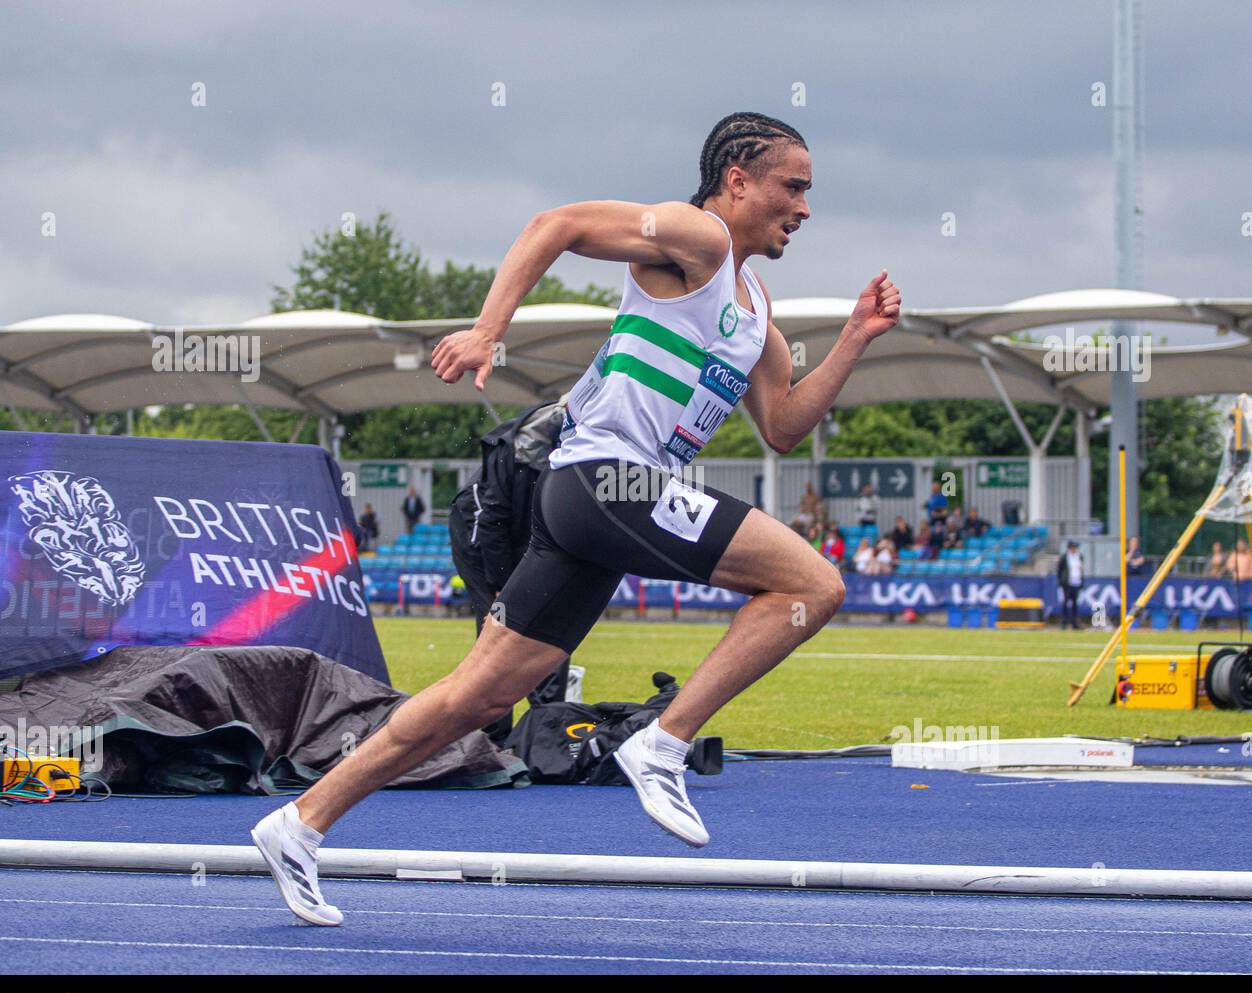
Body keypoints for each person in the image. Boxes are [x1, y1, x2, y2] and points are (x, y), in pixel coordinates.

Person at [251, 111, 902, 925]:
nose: (805, 208)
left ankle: (300, 822)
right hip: (603, 481)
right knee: (812, 582)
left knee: (477, 699)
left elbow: (784, 424)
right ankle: (661, 743)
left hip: (597, 509)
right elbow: (553, 225)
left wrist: (854, 337)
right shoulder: (696, 238)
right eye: (792, 186)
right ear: (737, 179)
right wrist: (490, 330)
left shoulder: (755, 309)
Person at [449, 400, 571, 741]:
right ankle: (491, 737)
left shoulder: (592, 449)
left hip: (530, 536)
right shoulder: (517, 453)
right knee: (497, 628)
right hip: (481, 537)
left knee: (555, 623)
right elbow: (491, 524)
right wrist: (501, 586)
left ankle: (546, 729)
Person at [1057, 539, 1084, 629]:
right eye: (1073, 547)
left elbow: (1080, 570)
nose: (1075, 549)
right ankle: (1064, 623)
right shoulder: (1065, 557)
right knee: (1065, 603)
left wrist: (1081, 581)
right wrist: (1061, 581)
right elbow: (1060, 570)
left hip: (1076, 583)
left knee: (1075, 604)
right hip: (1067, 583)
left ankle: (1074, 623)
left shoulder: (1079, 556)